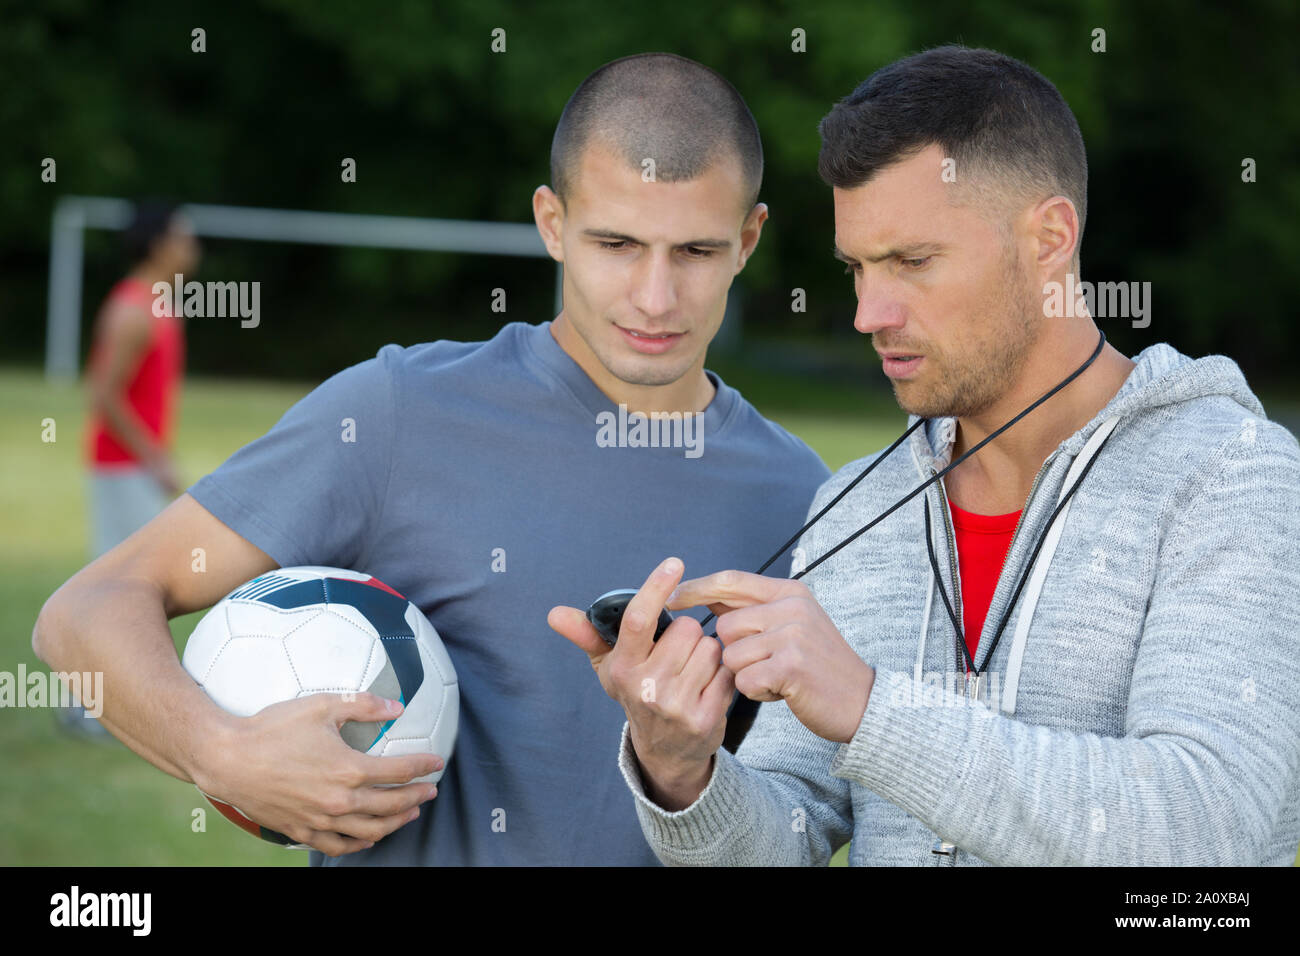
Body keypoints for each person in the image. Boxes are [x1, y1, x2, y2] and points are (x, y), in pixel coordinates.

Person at [31, 53, 829, 865]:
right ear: (552, 224)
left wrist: (684, 770)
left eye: (695, 251)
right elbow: (87, 609)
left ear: (748, 240)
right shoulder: (395, 414)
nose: (655, 298)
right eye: (617, 243)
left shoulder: (810, 502)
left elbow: (809, 823)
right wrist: (222, 752)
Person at [551, 45, 1300, 866]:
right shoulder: (862, 503)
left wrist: (872, 709)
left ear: (1050, 238)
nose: (869, 313)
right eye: (858, 268)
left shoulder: (1232, 476)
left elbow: (1207, 826)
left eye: (912, 262)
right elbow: (788, 834)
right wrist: (681, 771)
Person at [54, 202, 198, 740]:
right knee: (121, 586)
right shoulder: (131, 310)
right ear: (158, 244)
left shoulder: (162, 305)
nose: (192, 247)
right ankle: (85, 706)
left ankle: (103, 704)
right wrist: (154, 457)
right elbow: (102, 395)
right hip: (121, 467)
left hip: (136, 466)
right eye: (183, 237)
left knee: (131, 585)